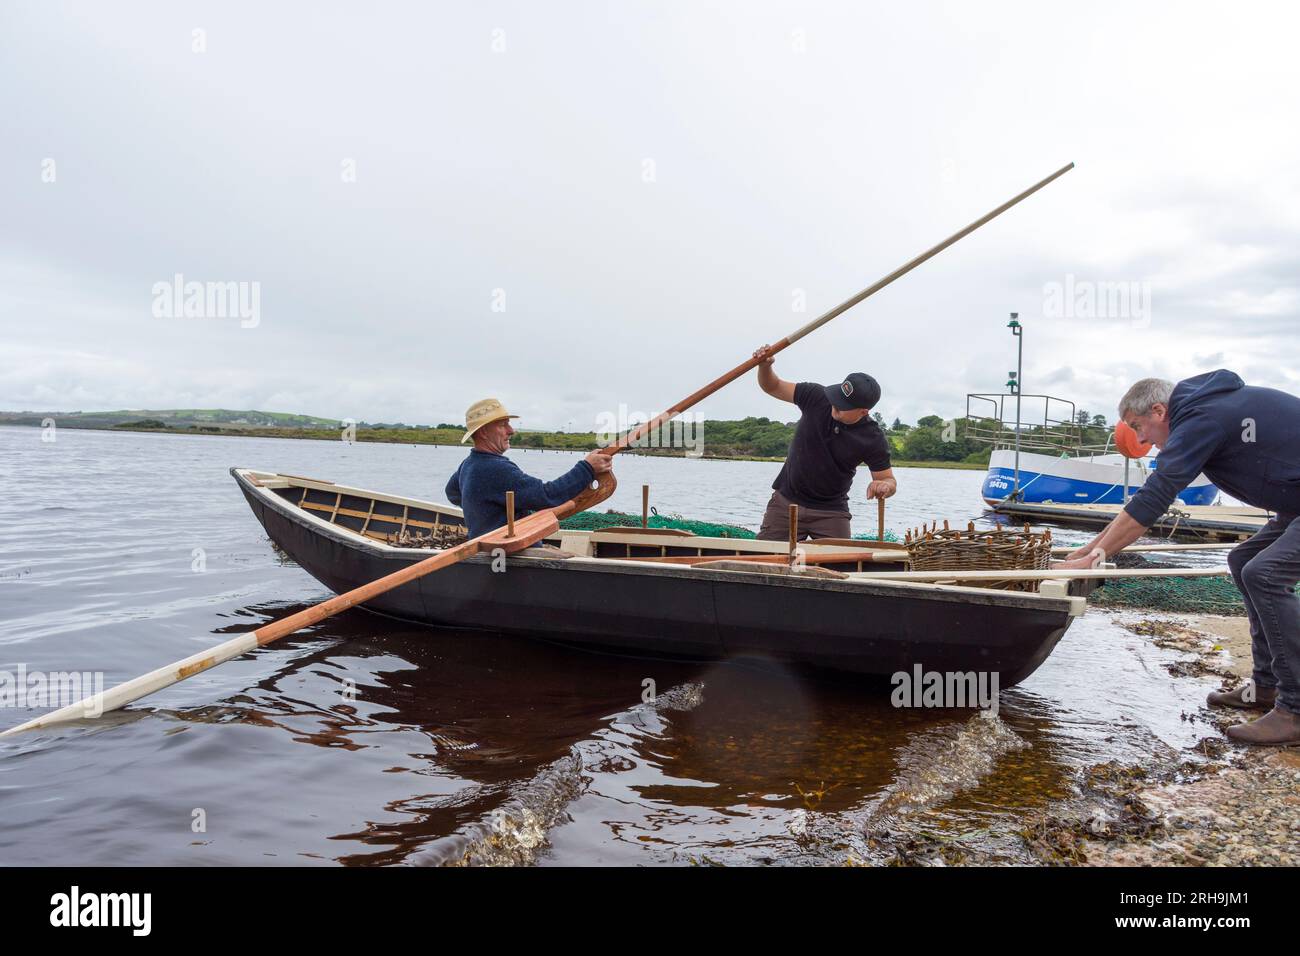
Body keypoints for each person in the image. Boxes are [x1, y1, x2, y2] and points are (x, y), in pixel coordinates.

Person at [1054, 370, 1300, 746]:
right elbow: (1147, 498)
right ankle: (1265, 687)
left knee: (1264, 574)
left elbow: (1155, 497)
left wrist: (1094, 557)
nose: (1140, 440)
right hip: (1293, 506)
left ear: (1158, 411)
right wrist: (1086, 553)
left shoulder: (1201, 417)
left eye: (1139, 427)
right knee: (1243, 561)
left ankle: (1295, 711)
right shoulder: (1204, 410)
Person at [752, 345, 896, 541]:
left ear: (863, 411)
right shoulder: (816, 396)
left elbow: (888, 479)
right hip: (786, 503)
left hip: (831, 512)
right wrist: (764, 366)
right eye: (837, 398)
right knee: (764, 561)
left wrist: (884, 486)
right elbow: (773, 386)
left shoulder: (872, 437)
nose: (835, 406)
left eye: (843, 406)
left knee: (841, 566)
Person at [445, 398, 612, 539]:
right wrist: (587, 468)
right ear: (483, 433)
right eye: (503, 425)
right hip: (508, 552)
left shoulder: (469, 464)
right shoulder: (494, 469)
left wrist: (486, 512)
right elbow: (547, 496)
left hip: (493, 548)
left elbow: (452, 492)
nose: (511, 430)